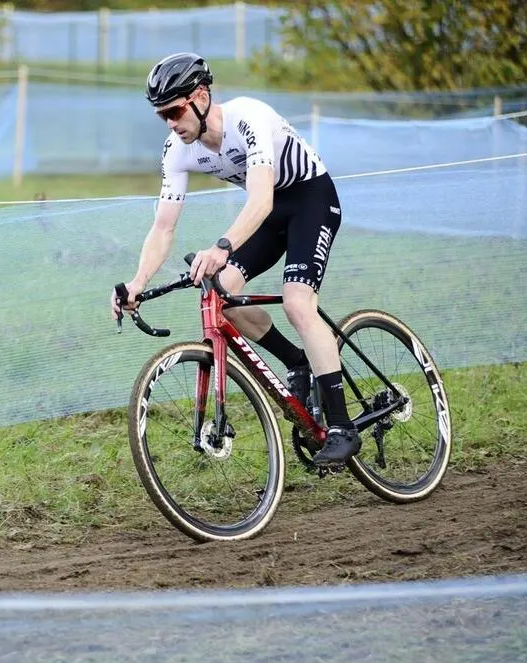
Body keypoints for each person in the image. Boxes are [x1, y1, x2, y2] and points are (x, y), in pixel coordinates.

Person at [109, 52, 360, 466]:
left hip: (309, 199)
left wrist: (221, 247)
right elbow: (163, 227)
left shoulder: (248, 118)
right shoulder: (178, 150)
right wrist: (137, 282)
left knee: (298, 302)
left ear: (201, 96)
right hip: (267, 212)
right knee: (221, 293)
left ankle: (341, 426)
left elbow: (261, 198)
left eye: (175, 111)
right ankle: (297, 362)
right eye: (162, 116)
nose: (171, 123)